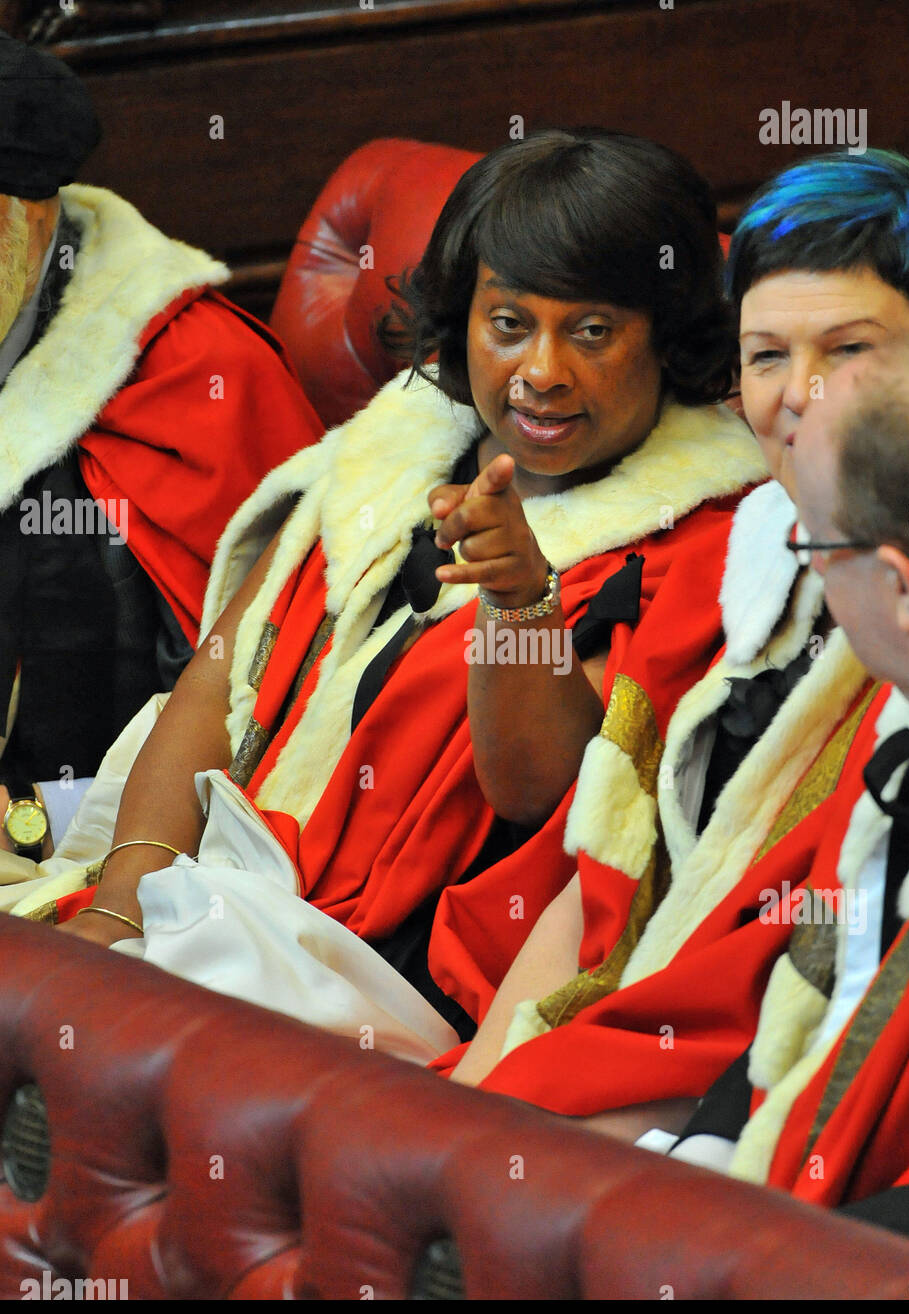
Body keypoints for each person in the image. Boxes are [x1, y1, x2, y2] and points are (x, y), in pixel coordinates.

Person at [24, 129, 765, 1056]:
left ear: (669, 338)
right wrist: (122, 909)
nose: (543, 371)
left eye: (592, 332)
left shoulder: (704, 541)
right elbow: (216, 682)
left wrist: (518, 600)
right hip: (204, 895)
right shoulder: (390, 449)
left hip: (389, 981)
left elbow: (538, 793)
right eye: (510, 324)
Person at [446, 148, 909, 1110]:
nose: (800, 395)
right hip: (624, 1029)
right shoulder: (737, 556)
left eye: (849, 352)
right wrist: (478, 1095)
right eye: (768, 355)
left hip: (796, 1073)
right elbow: (600, 867)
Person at [659, 329, 909, 1265]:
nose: (809, 569)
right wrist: (693, 1169)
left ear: (905, 591)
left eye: (816, 545)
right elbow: (816, 982)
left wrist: (733, 1258)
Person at [0, 32, 322, 866]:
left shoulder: (201, 377)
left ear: (28, 218)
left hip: (98, 858)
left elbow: (261, 734)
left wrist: (34, 818)